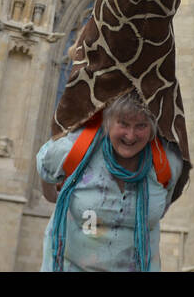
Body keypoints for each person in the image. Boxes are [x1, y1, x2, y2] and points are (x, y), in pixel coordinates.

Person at [36, 89, 184, 272]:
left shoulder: (167, 163)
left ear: (153, 128)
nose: (130, 135)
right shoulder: (73, 149)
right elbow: (45, 172)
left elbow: (162, 206)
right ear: (107, 123)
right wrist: (57, 198)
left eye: (141, 126)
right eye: (123, 124)